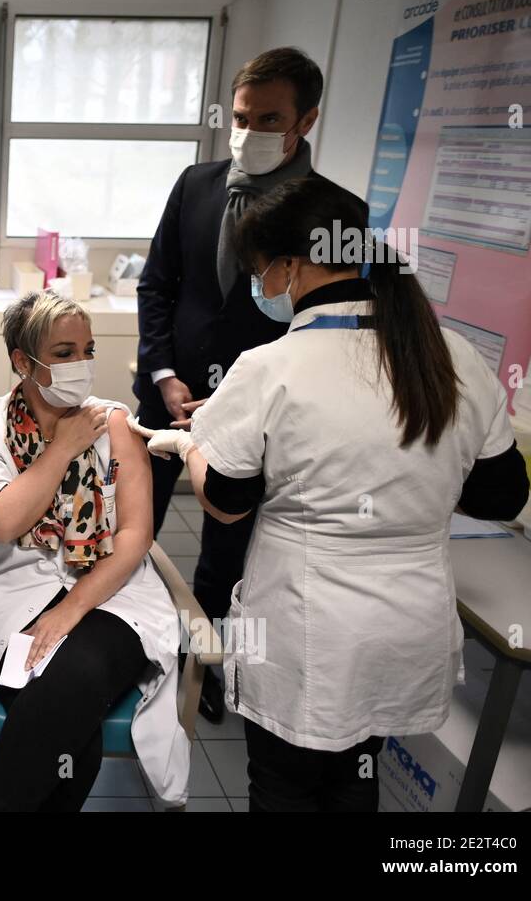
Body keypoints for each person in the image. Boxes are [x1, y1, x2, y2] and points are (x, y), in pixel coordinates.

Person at [133, 176, 530, 811]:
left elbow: (227, 501)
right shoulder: (450, 354)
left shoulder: (270, 366)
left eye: (261, 269)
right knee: (356, 781)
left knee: (286, 789)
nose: (261, 285)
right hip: (407, 627)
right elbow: (500, 494)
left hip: (309, 636)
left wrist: (193, 447)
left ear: (290, 265)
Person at [135, 46, 367, 723]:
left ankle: (203, 666)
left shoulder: (331, 211)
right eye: (240, 116)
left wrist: (241, 396)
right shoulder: (196, 184)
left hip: (262, 408)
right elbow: (158, 285)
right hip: (168, 394)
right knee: (133, 521)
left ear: (307, 121)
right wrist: (164, 373)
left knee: (227, 541)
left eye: (269, 118)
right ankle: (134, 636)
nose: (249, 131)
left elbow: (336, 319)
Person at [0, 291, 188, 810]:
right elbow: (5, 523)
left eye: (88, 350)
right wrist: (63, 447)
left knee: (76, 679)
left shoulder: (115, 423)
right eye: (64, 352)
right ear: (22, 362)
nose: (82, 365)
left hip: (112, 593)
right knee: (77, 740)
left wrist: (73, 609)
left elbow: (135, 537)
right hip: (15, 592)